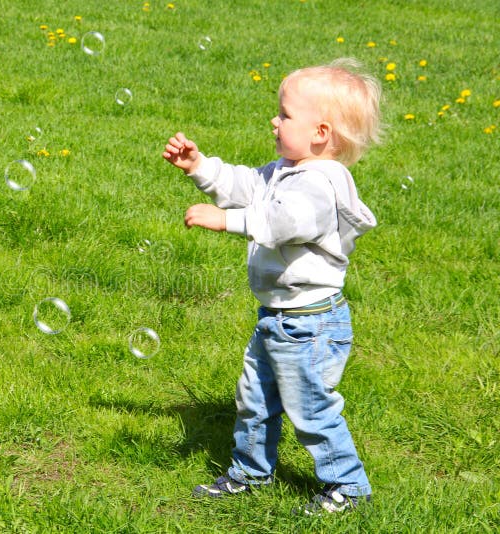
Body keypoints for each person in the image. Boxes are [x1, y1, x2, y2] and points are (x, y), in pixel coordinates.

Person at [162, 58, 381, 515]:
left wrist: (225, 221)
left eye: (284, 115)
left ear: (320, 132)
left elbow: (282, 221)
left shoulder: (320, 184)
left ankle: (349, 487)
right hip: (278, 318)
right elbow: (246, 185)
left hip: (309, 326)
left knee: (311, 409)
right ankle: (250, 473)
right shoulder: (287, 169)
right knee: (255, 400)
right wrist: (199, 167)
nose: (274, 121)